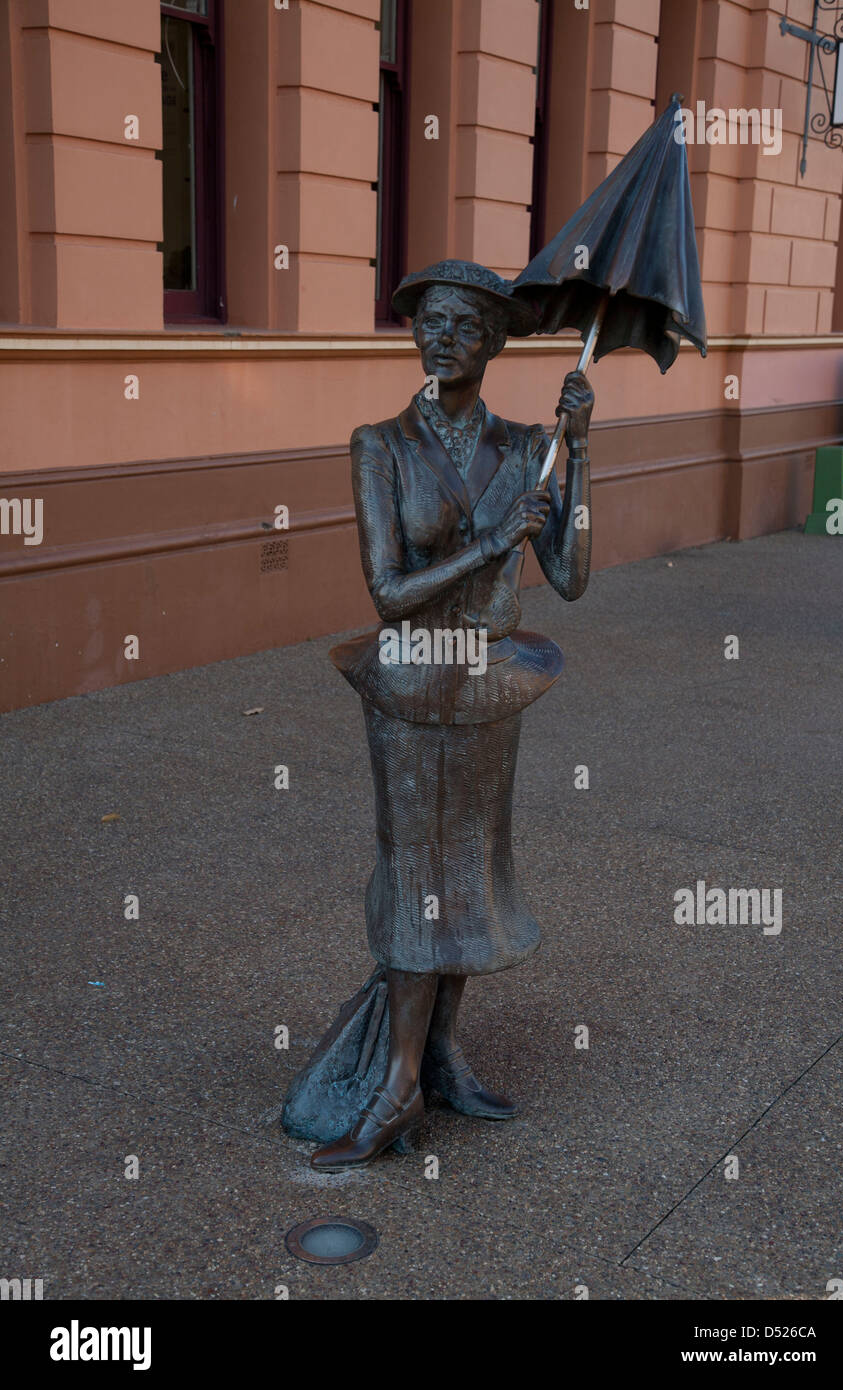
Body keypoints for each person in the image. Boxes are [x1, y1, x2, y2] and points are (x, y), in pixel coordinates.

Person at [309, 259, 594, 1171]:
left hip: (486, 690)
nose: (443, 338)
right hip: (410, 687)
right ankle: (393, 1088)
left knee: (468, 871)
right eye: (430, 321)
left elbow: (573, 576)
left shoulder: (524, 447)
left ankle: (439, 1055)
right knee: (410, 874)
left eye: (465, 325)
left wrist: (578, 454)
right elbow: (390, 592)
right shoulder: (379, 445)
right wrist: (490, 542)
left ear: (495, 343)